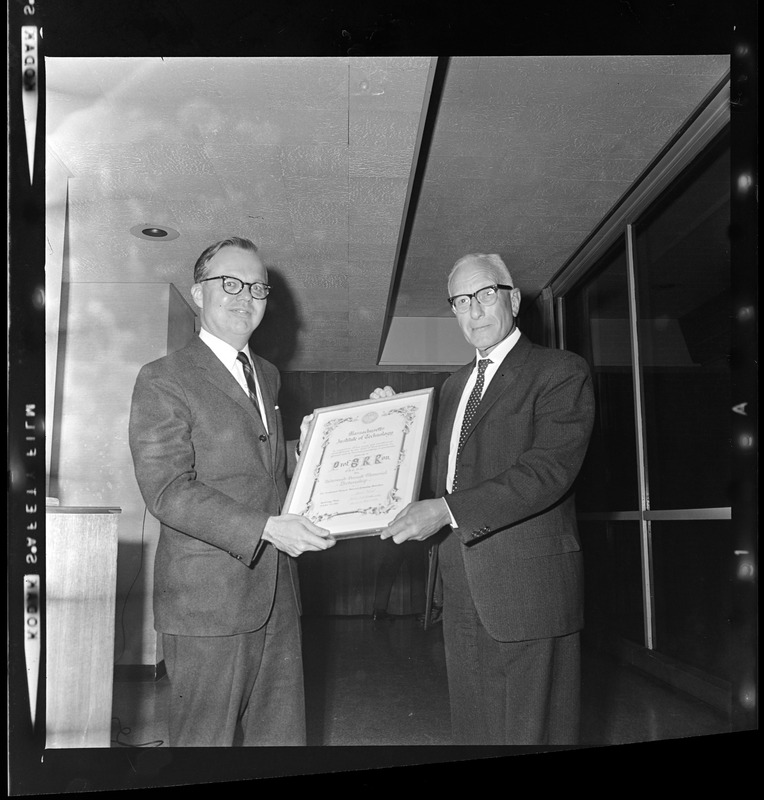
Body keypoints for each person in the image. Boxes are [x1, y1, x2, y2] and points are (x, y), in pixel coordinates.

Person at [371, 252, 594, 745]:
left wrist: (448, 511)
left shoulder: (559, 371)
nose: (474, 311)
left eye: (486, 294)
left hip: (528, 584)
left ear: (513, 299)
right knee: (474, 726)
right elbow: (443, 474)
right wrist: (390, 430)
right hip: (459, 578)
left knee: (533, 730)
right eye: (461, 301)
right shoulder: (453, 387)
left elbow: (547, 471)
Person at [128, 236, 335, 747]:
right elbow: (168, 489)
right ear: (199, 293)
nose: (246, 297)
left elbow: (257, 468)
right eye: (231, 284)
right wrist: (265, 528)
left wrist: (306, 449)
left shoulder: (266, 374)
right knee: (205, 747)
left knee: (281, 739)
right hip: (206, 603)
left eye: (258, 288)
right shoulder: (162, 378)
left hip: (277, 593)